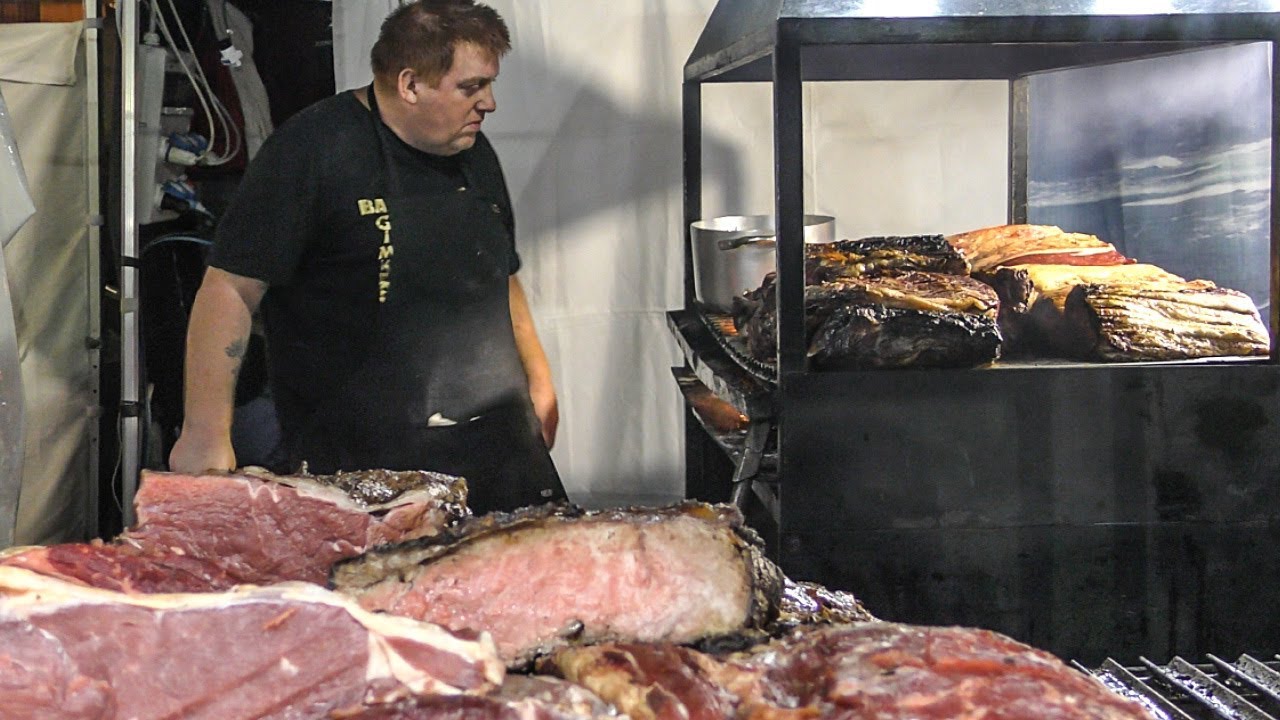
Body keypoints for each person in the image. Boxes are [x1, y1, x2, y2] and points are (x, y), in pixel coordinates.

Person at [168, 0, 566, 514]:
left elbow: (500, 272)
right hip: (359, 459)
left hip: (497, 441)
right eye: (471, 87)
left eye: (489, 84)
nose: (488, 103)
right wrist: (204, 431)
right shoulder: (312, 150)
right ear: (410, 84)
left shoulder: (473, 152)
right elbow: (231, 287)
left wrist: (539, 376)